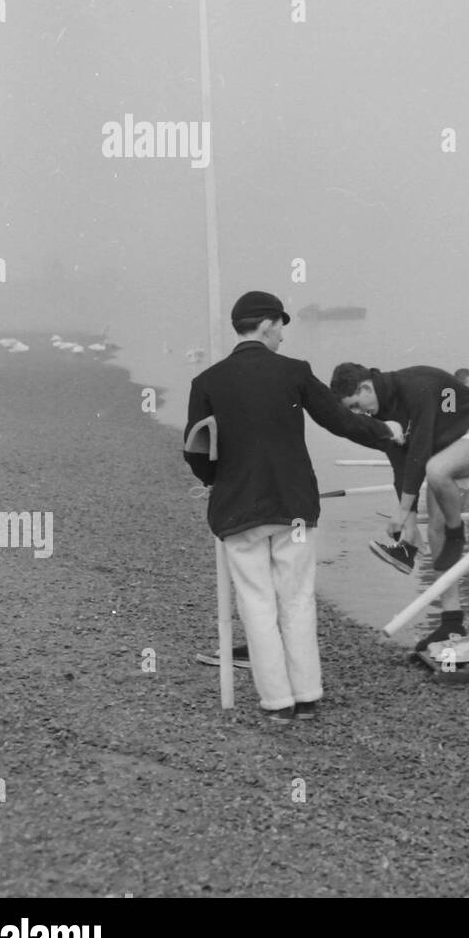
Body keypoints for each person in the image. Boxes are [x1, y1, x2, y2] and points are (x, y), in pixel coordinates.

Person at [183, 291, 401, 725]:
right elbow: (341, 422)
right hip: (295, 511)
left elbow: (195, 449)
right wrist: (387, 432)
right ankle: (307, 697)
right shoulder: (295, 372)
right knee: (297, 597)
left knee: (256, 603)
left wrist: (215, 482)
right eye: (280, 325)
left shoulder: (206, 383)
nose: (283, 334)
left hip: (238, 512)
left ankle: (277, 703)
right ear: (265, 325)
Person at [330, 361, 469, 650]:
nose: (361, 414)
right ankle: (451, 621)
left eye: (357, 405)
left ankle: (457, 531)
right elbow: (400, 462)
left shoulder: (415, 386)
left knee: (435, 471)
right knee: (435, 531)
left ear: (365, 387)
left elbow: (420, 449)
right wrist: (408, 523)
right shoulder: (383, 411)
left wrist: (401, 512)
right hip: (444, 452)